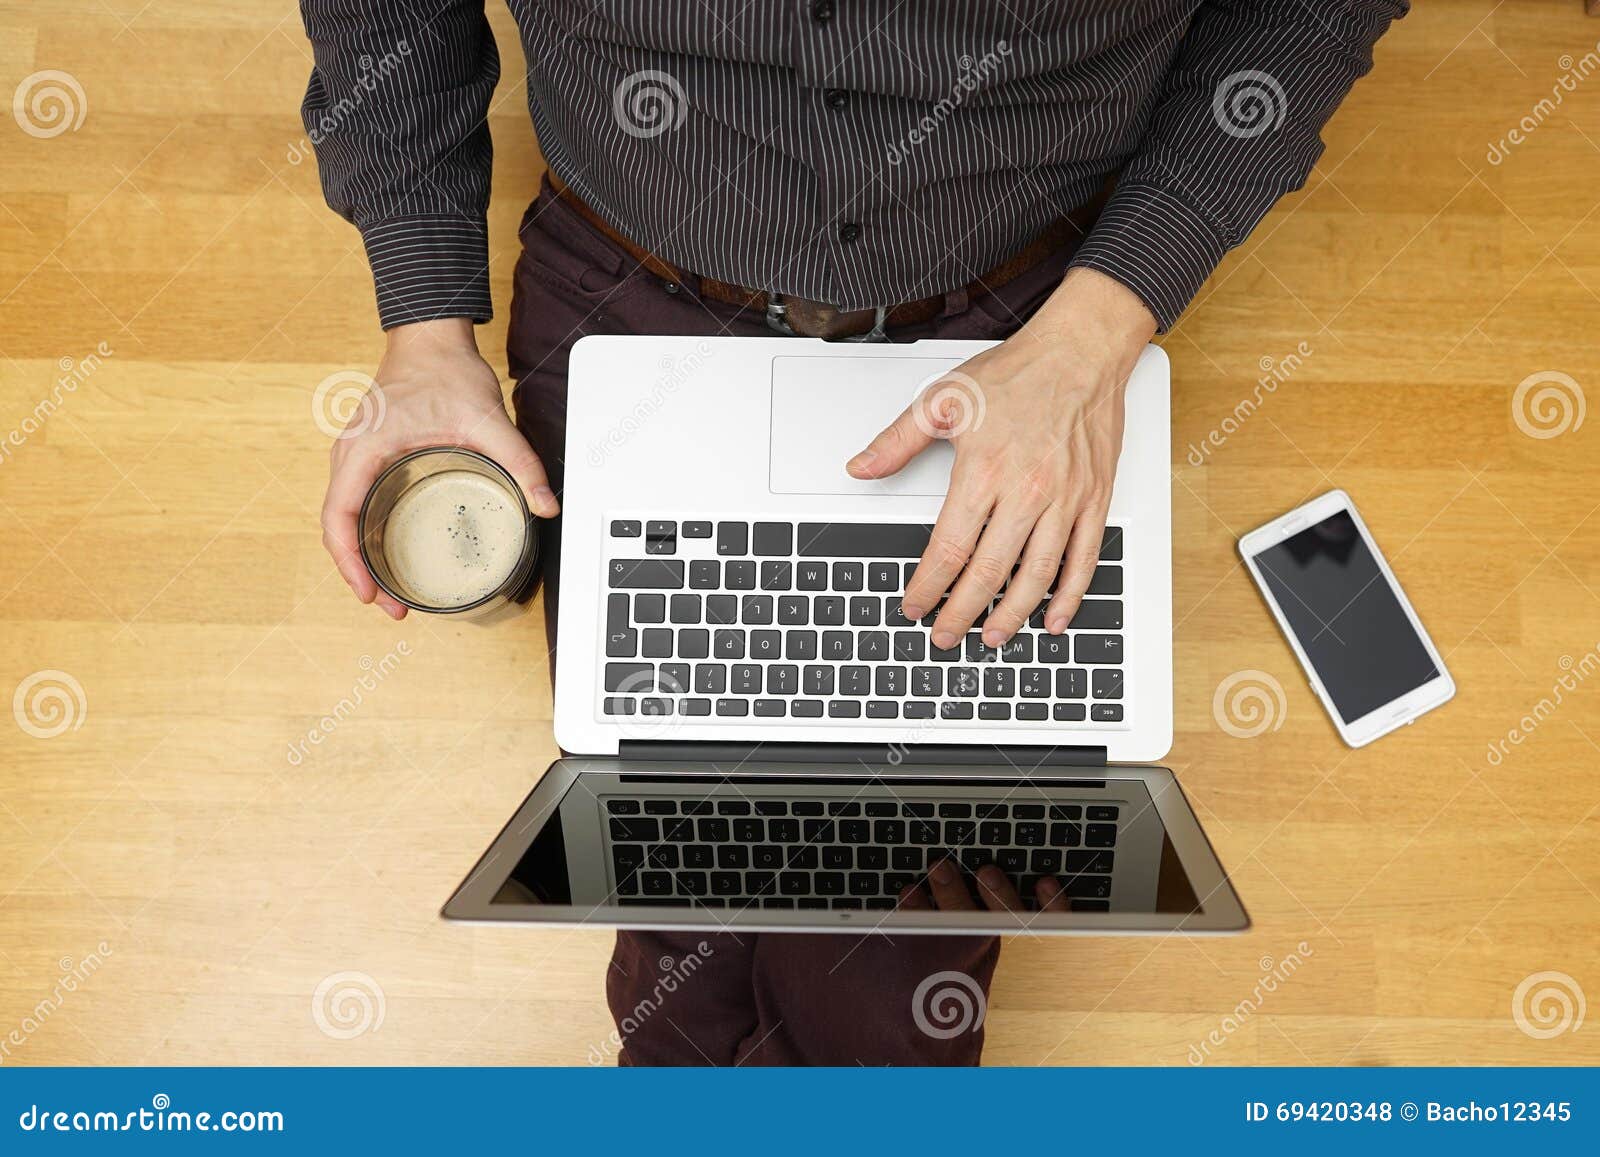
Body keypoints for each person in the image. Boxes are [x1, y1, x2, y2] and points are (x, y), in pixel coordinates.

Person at [299, 1, 1407, 1064]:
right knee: (688, 850)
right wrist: (426, 326)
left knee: (899, 915)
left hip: (1023, 317)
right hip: (633, 281)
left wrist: (1097, 331)